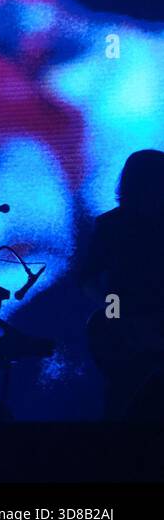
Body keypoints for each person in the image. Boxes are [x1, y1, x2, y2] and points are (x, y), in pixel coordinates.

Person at [80, 149, 164, 420]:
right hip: (125, 333)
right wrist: (115, 316)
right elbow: (87, 277)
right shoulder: (110, 225)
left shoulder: (111, 224)